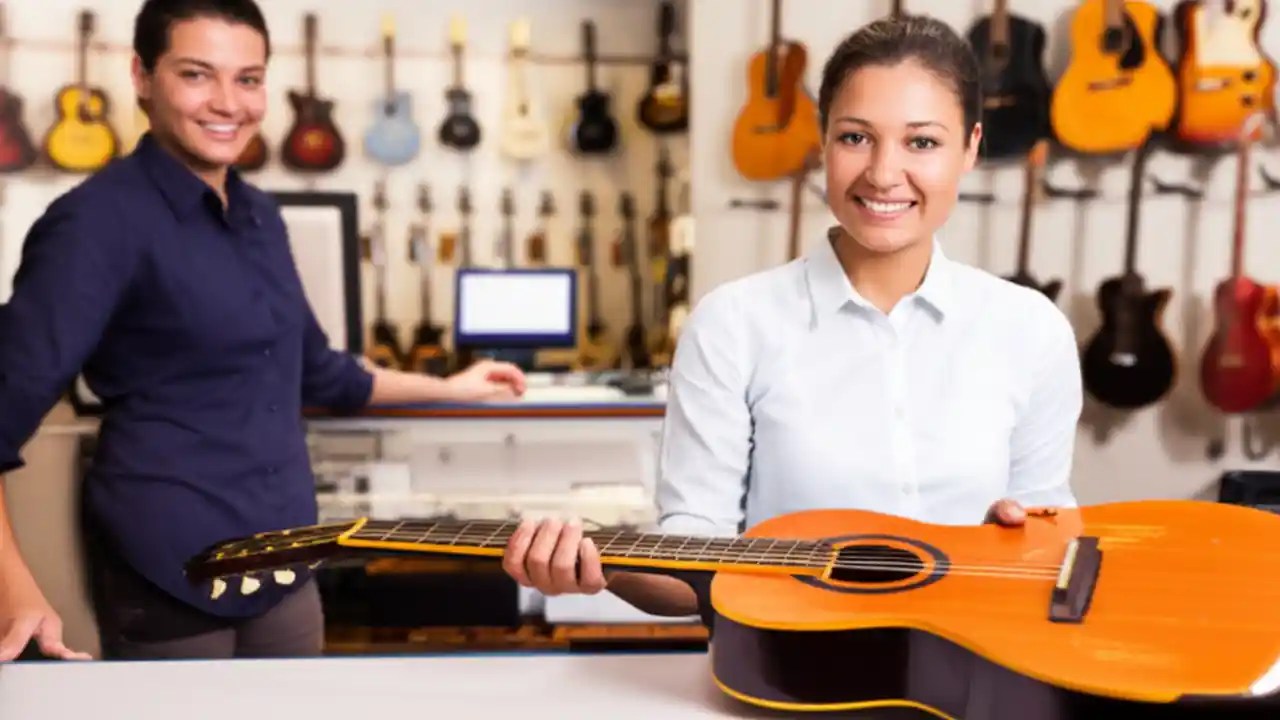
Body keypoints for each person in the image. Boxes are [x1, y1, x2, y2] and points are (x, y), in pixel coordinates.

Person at [502, 13, 1085, 720]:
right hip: (791, 690)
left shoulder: (1032, 331)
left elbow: (1057, 540)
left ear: (970, 149)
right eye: (855, 137)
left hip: (985, 690)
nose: (882, 173)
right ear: (823, 143)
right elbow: (696, 563)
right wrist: (602, 563)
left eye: (922, 142)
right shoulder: (732, 325)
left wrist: (1037, 540)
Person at [0, 0, 525, 663]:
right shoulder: (94, 224)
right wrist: (13, 593)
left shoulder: (257, 215)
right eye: (197, 74)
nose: (228, 102)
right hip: (169, 571)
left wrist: (457, 387)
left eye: (248, 79)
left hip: (285, 564)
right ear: (141, 76)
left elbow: (318, 370)